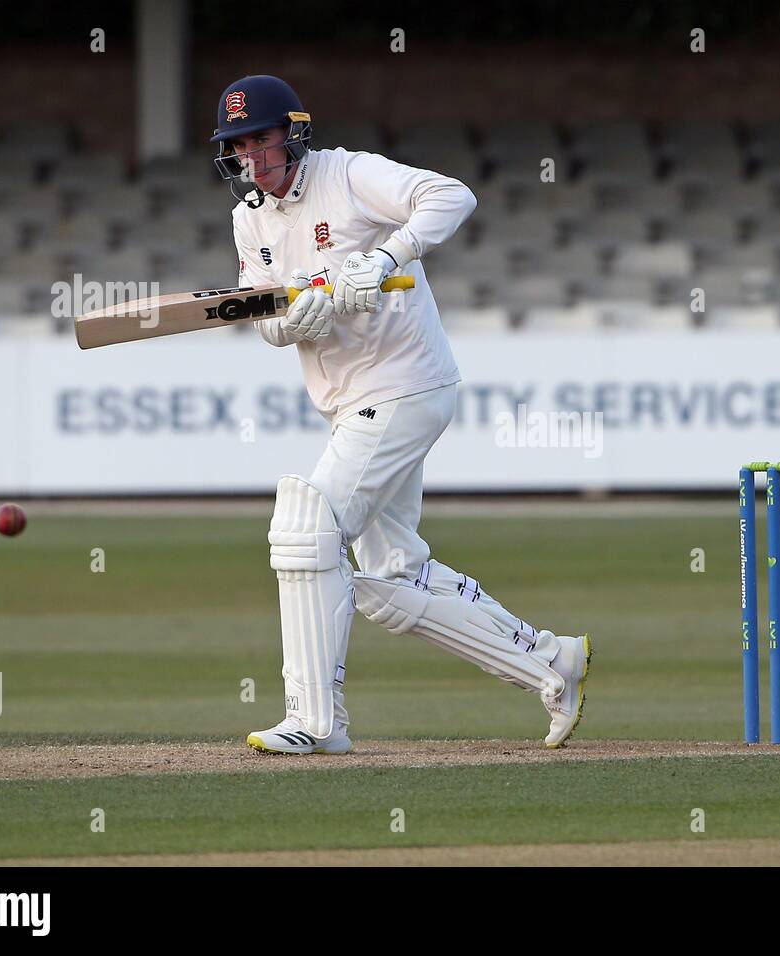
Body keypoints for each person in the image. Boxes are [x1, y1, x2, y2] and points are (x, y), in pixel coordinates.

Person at [210, 75, 591, 754]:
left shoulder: (349, 175)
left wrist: (383, 257)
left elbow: (451, 195)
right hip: (348, 402)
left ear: (292, 133)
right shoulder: (249, 218)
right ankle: (549, 659)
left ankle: (316, 722)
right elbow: (261, 316)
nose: (251, 158)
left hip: (405, 383)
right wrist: (300, 316)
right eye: (237, 146)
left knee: (309, 528)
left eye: (260, 140)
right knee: (389, 578)